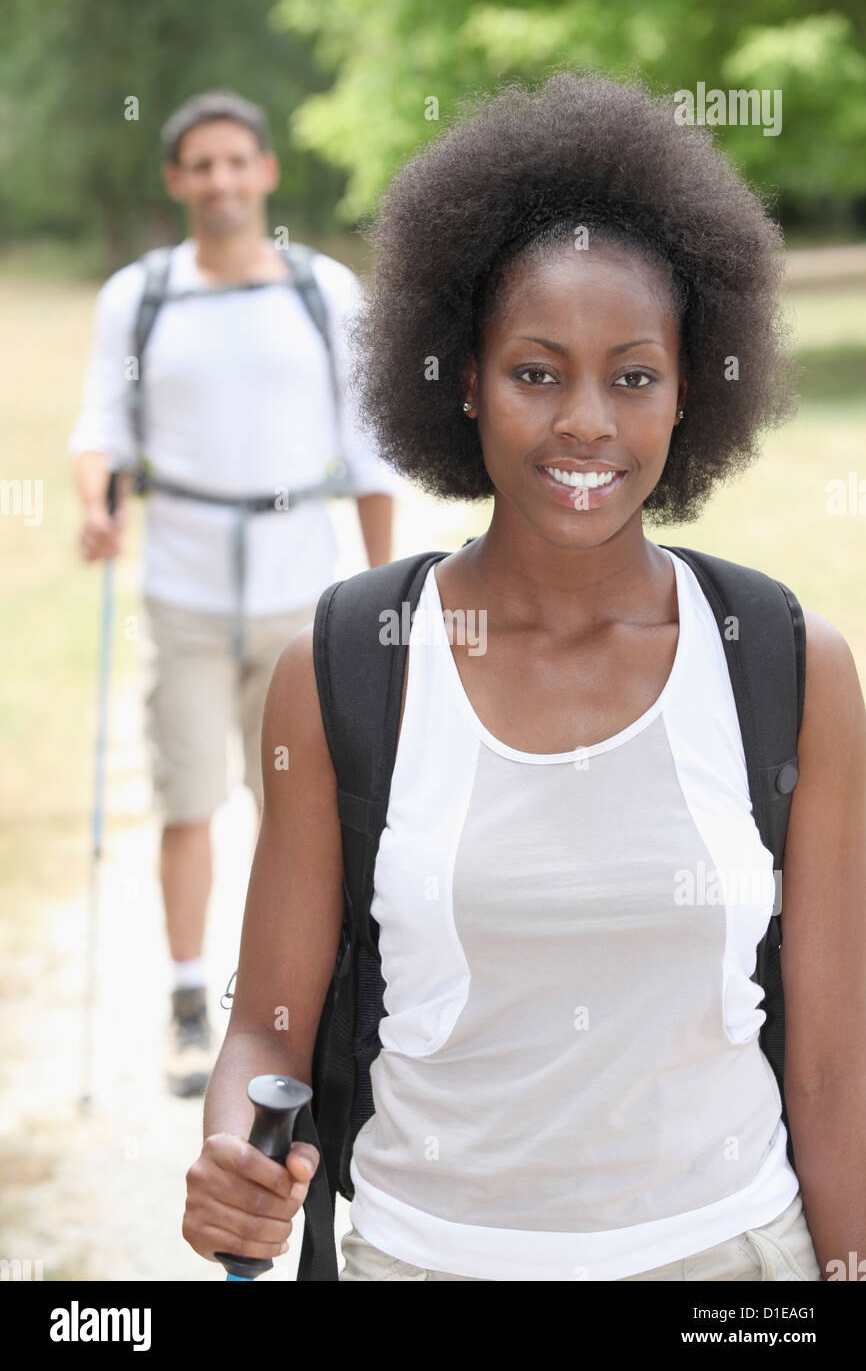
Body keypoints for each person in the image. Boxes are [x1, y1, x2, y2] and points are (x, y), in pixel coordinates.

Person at [181, 70, 866, 1281]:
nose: (585, 424)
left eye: (634, 375)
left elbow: (829, 1063)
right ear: (459, 378)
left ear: (692, 386)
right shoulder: (346, 666)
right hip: (427, 1257)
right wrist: (235, 1152)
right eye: (536, 371)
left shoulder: (786, 665)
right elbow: (265, 1028)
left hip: (730, 1266)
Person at [68, 90, 402, 1099]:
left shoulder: (324, 290)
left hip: (306, 601)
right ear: (177, 181)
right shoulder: (141, 295)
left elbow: (369, 452)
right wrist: (96, 504)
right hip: (181, 591)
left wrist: (380, 596)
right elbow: (100, 429)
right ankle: (183, 1002)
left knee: (299, 812)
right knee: (187, 801)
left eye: (234, 162)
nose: (218, 181)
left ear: (264, 172)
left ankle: (298, 1004)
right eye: (198, 166)